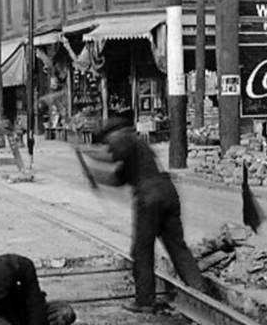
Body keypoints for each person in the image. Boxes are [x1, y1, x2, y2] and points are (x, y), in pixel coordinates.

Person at [88, 109, 206, 313]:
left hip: (149, 199)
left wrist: (89, 154)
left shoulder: (125, 138)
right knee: (178, 247)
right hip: (168, 194)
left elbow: (114, 152)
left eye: (106, 140)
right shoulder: (139, 146)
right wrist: (95, 176)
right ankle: (200, 292)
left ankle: (144, 301)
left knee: (142, 251)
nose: (107, 143)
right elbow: (119, 178)